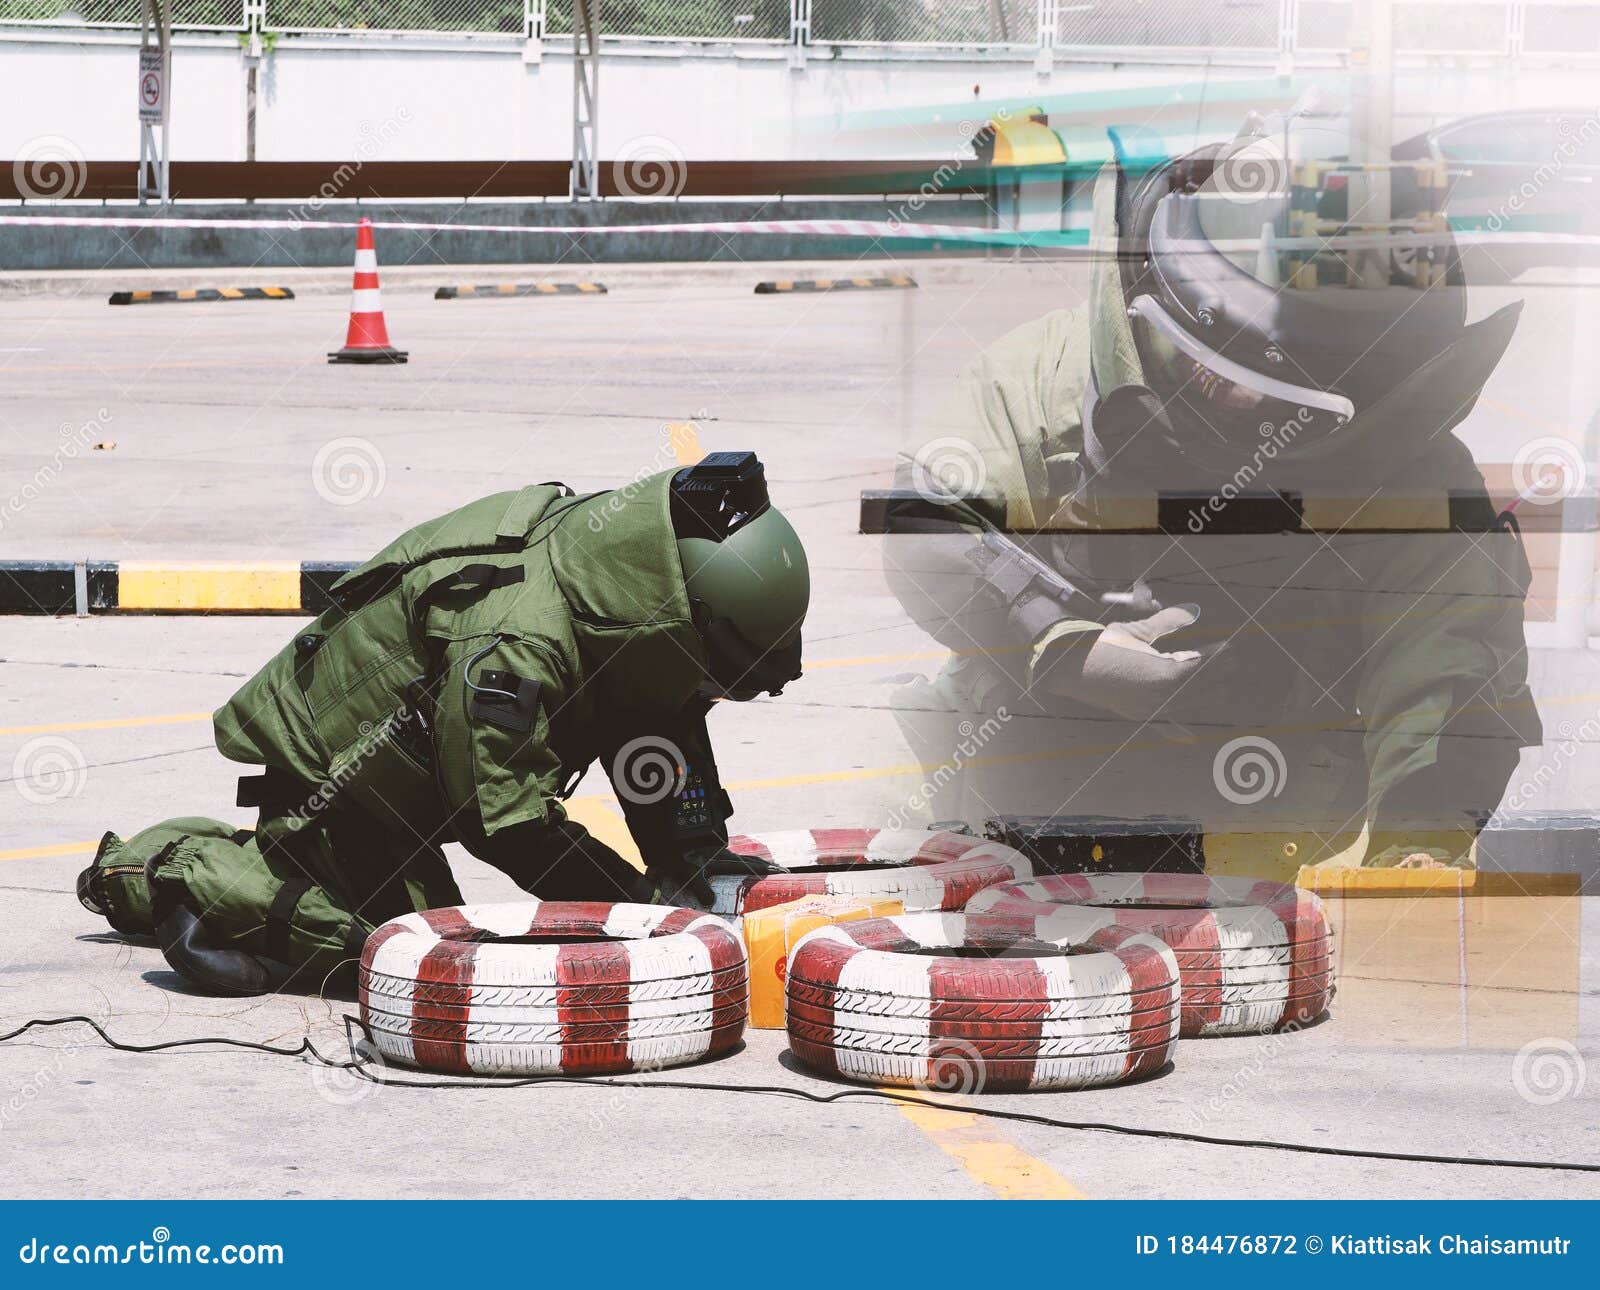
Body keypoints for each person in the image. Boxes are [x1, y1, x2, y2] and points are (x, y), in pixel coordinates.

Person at [885, 115, 1541, 869]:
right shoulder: (1045, 374)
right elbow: (924, 521)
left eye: (1272, 394)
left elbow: (1448, 669)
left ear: (1365, 383)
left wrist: (1417, 844)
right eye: (1206, 366)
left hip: (1257, 833)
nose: (1230, 400)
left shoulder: (1414, 480)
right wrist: (1059, 642)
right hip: (1003, 789)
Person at [76, 452, 810, 994]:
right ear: (681, 618)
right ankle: (175, 876)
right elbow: (508, 823)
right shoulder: (518, 647)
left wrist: (693, 862)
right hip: (335, 774)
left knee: (653, 699)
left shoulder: (631, 578)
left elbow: (655, 711)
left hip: (426, 763)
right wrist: (645, 918)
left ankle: (263, 862)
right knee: (407, 961)